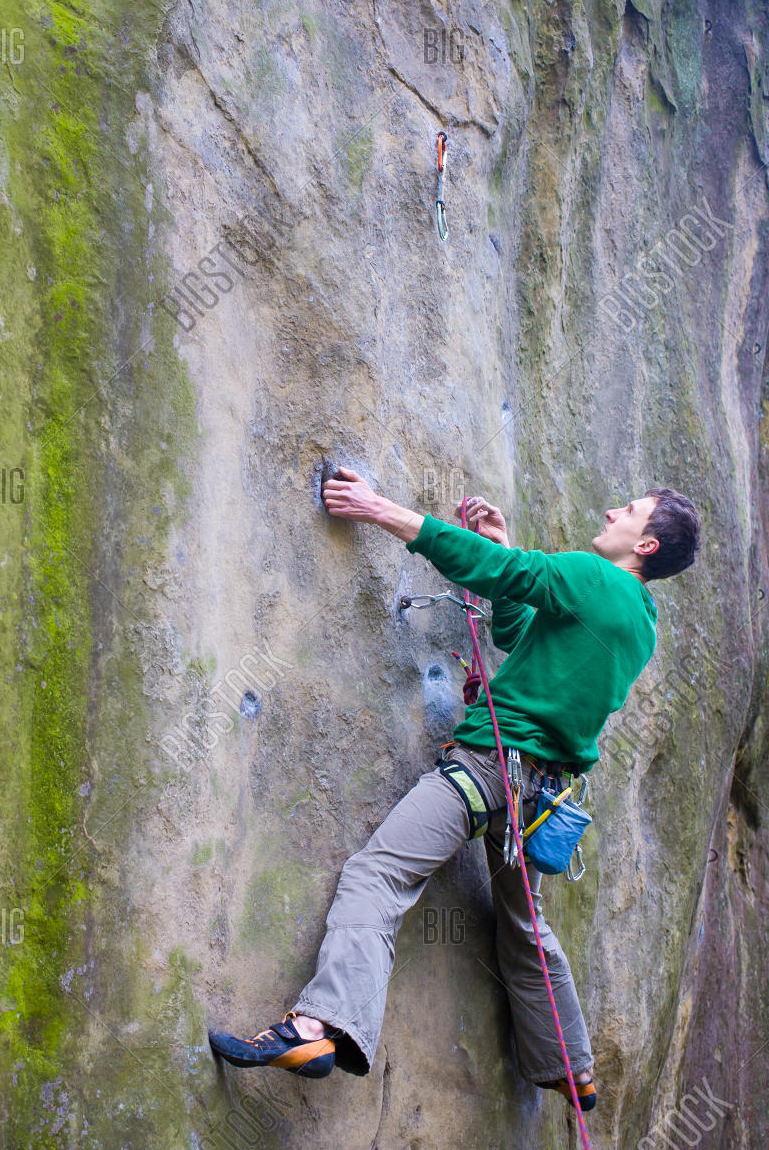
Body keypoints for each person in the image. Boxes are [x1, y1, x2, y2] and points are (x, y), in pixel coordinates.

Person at [209, 471, 701, 1108]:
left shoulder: (596, 577)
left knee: (377, 874)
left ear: (648, 545)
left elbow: (499, 572)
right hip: (536, 797)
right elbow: (520, 638)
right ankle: (568, 1062)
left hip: (490, 769)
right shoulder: (640, 621)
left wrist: (382, 510)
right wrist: (504, 548)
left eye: (630, 510)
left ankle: (316, 1027)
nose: (612, 510)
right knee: (525, 923)